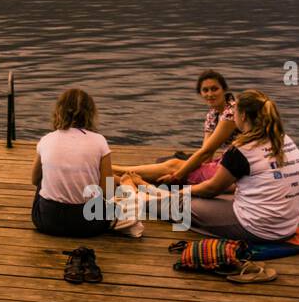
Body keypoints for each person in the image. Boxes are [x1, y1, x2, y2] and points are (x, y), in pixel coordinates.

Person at [174, 89, 299, 243]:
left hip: (258, 229)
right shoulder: (283, 139)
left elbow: (211, 189)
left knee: (182, 204)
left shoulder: (242, 149)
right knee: (215, 196)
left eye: (234, 111)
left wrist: (182, 192)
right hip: (287, 227)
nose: (232, 115)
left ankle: (143, 200)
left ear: (243, 115)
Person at [31, 88, 142, 238]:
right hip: (87, 224)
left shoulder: (47, 139)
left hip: (47, 221)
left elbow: (34, 179)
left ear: (59, 111)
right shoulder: (99, 141)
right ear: (90, 113)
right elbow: (107, 191)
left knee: (42, 178)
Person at [114, 70, 238, 186]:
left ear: (224, 89)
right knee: (172, 163)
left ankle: (116, 171)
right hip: (226, 162)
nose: (210, 94)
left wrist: (177, 176)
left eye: (214, 89)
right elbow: (206, 153)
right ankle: (119, 173)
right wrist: (190, 167)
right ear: (200, 93)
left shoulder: (231, 112)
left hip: (237, 170)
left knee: (174, 166)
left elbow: (206, 152)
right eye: (205, 90)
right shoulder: (213, 113)